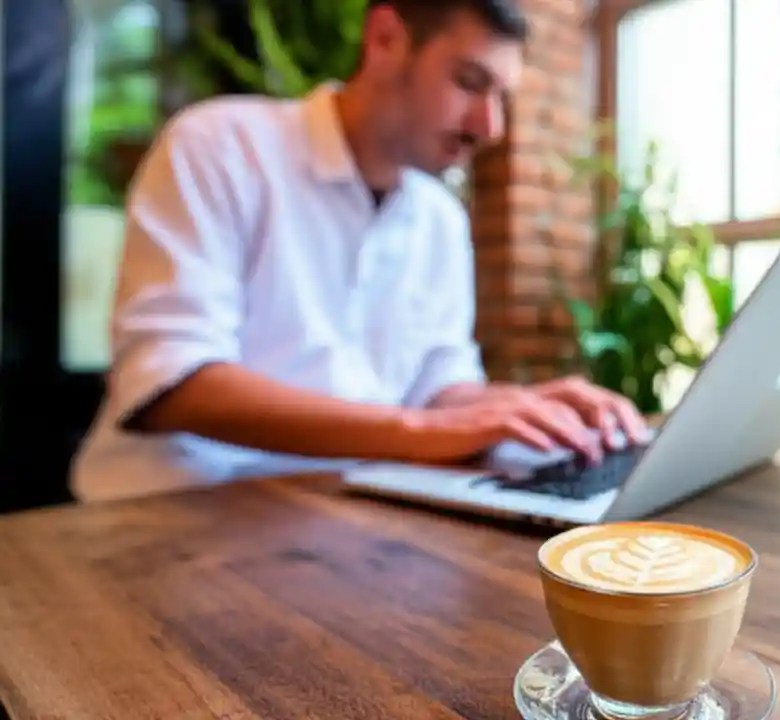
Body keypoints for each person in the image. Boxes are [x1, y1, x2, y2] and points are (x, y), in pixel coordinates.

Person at [71, 0, 647, 502]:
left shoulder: (440, 219)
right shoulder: (220, 144)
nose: (490, 126)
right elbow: (170, 385)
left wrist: (519, 407)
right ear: (386, 40)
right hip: (171, 514)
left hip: (343, 510)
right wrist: (418, 433)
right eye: (470, 83)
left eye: (502, 98)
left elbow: (439, 387)